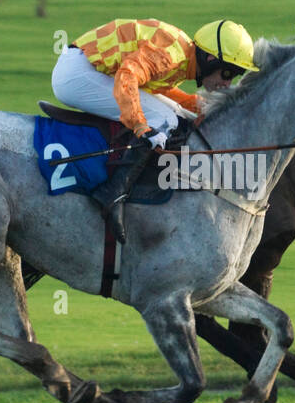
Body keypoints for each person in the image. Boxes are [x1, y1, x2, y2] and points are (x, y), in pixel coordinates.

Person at [51, 17, 256, 242]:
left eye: (234, 76)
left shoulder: (182, 55)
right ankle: (112, 193)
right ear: (209, 59)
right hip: (76, 75)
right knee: (164, 118)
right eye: (227, 73)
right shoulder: (171, 55)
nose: (227, 83)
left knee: (179, 115)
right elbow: (127, 76)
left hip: (92, 67)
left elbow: (154, 86)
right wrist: (139, 125)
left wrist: (193, 104)